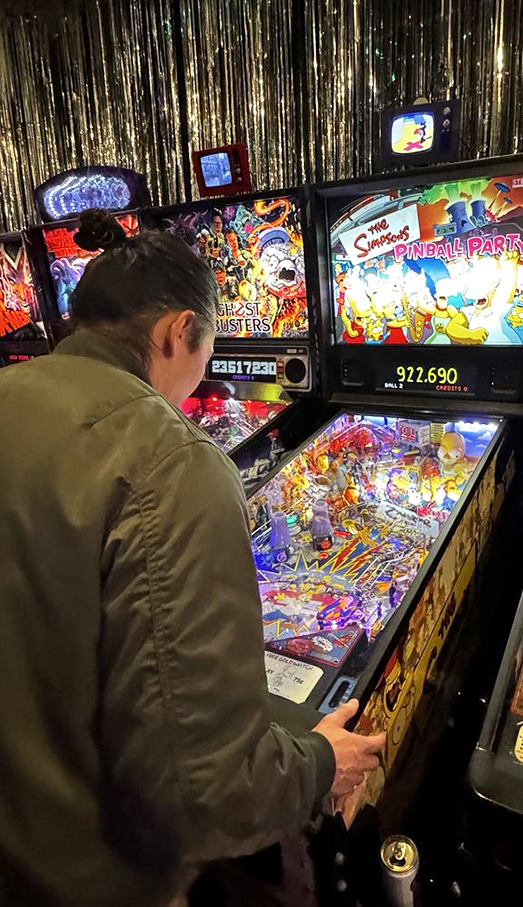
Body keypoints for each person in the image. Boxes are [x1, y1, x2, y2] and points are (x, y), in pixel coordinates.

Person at [0, 209, 384, 907]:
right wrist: (321, 761)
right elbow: (200, 787)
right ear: (180, 330)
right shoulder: (167, 459)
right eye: (208, 347)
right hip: (93, 878)